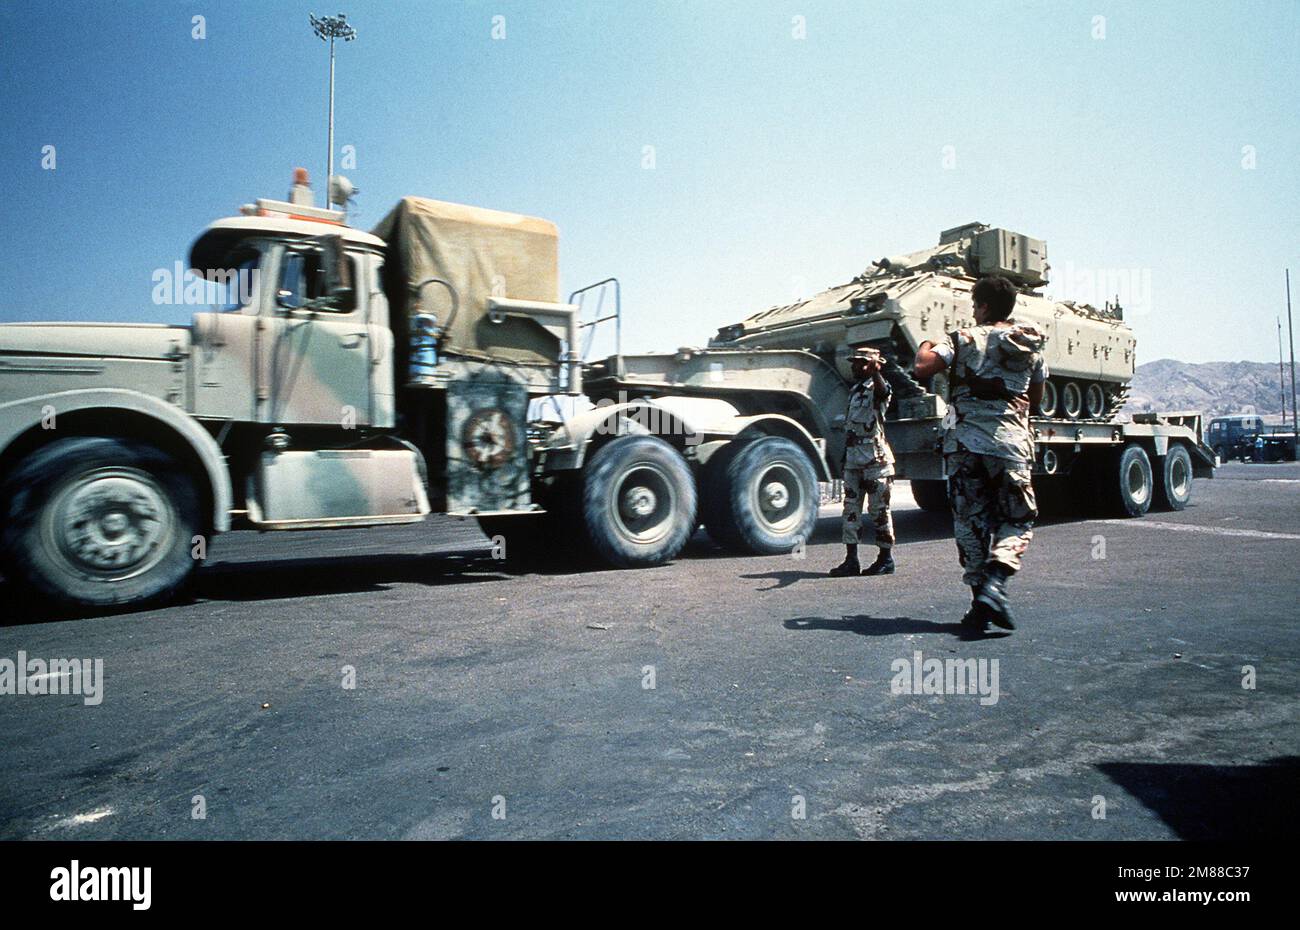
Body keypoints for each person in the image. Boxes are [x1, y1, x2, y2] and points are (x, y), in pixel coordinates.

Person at [913, 275, 1048, 634]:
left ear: (984, 306)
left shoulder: (962, 339)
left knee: (970, 523)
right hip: (1010, 443)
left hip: (966, 444)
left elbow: (923, 367)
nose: (973, 311)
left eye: (975, 304)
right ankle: (994, 587)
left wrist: (926, 342)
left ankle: (982, 596)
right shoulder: (1030, 346)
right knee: (1017, 519)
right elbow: (1035, 400)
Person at [829, 347, 896, 577]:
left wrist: (876, 372)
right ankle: (851, 560)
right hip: (853, 460)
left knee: (879, 510)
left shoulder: (878, 387)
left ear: (871, 365)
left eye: (859, 363)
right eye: (854, 362)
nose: (854, 366)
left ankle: (886, 559)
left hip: (875, 460)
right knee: (850, 511)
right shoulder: (855, 390)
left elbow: (883, 392)